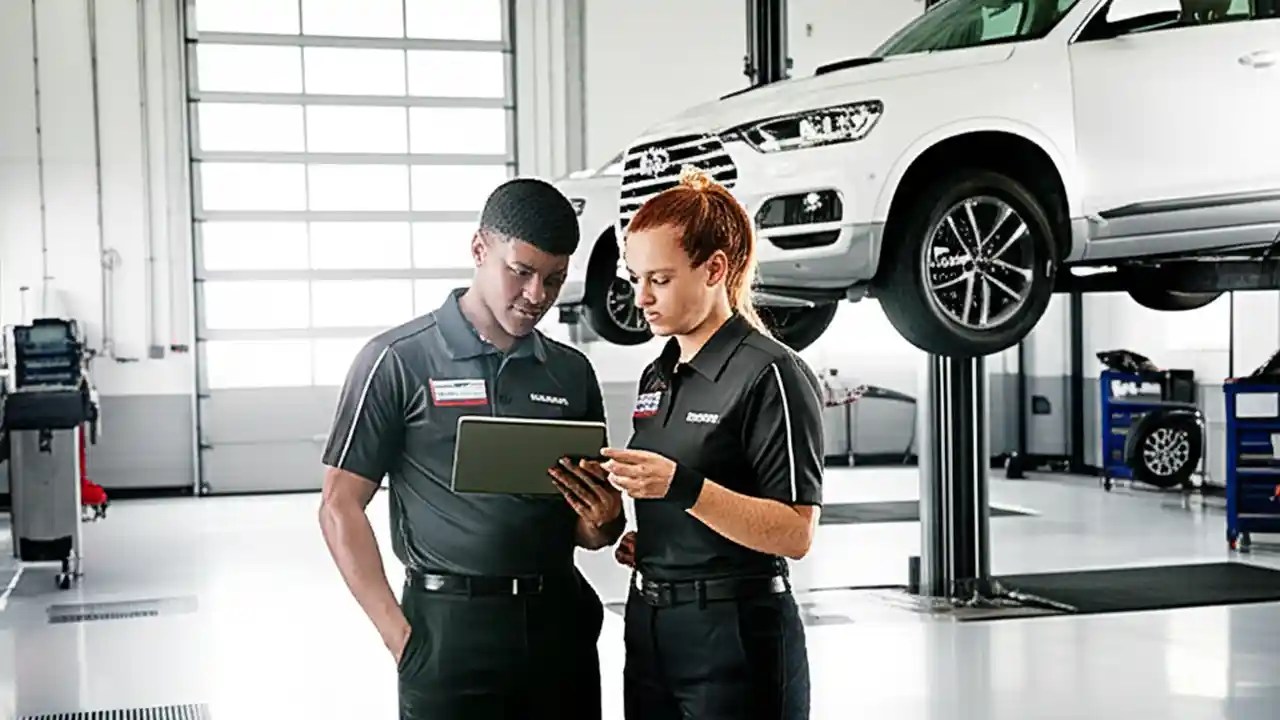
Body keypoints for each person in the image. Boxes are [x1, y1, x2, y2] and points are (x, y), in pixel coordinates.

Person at [317, 177, 626, 720]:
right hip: (448, 631)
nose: (537, 295)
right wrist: (400, 639)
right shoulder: (397, 360)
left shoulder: (571, 373)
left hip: (559, 625)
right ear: (480, 249)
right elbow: (339, 505)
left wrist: (605, 522)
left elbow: (588, 530)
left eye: (554, 279)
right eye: (521, 271)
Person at [600, 166, 826, 720]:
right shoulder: (658, 374)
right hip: (650, 628)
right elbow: (694, 508)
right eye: (635, 278)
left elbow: (795, 532)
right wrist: (661, 543)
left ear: (715, 269)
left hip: (736, 638)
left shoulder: (771, 373)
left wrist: (681, 487)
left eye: (660, 279)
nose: (641, 298)